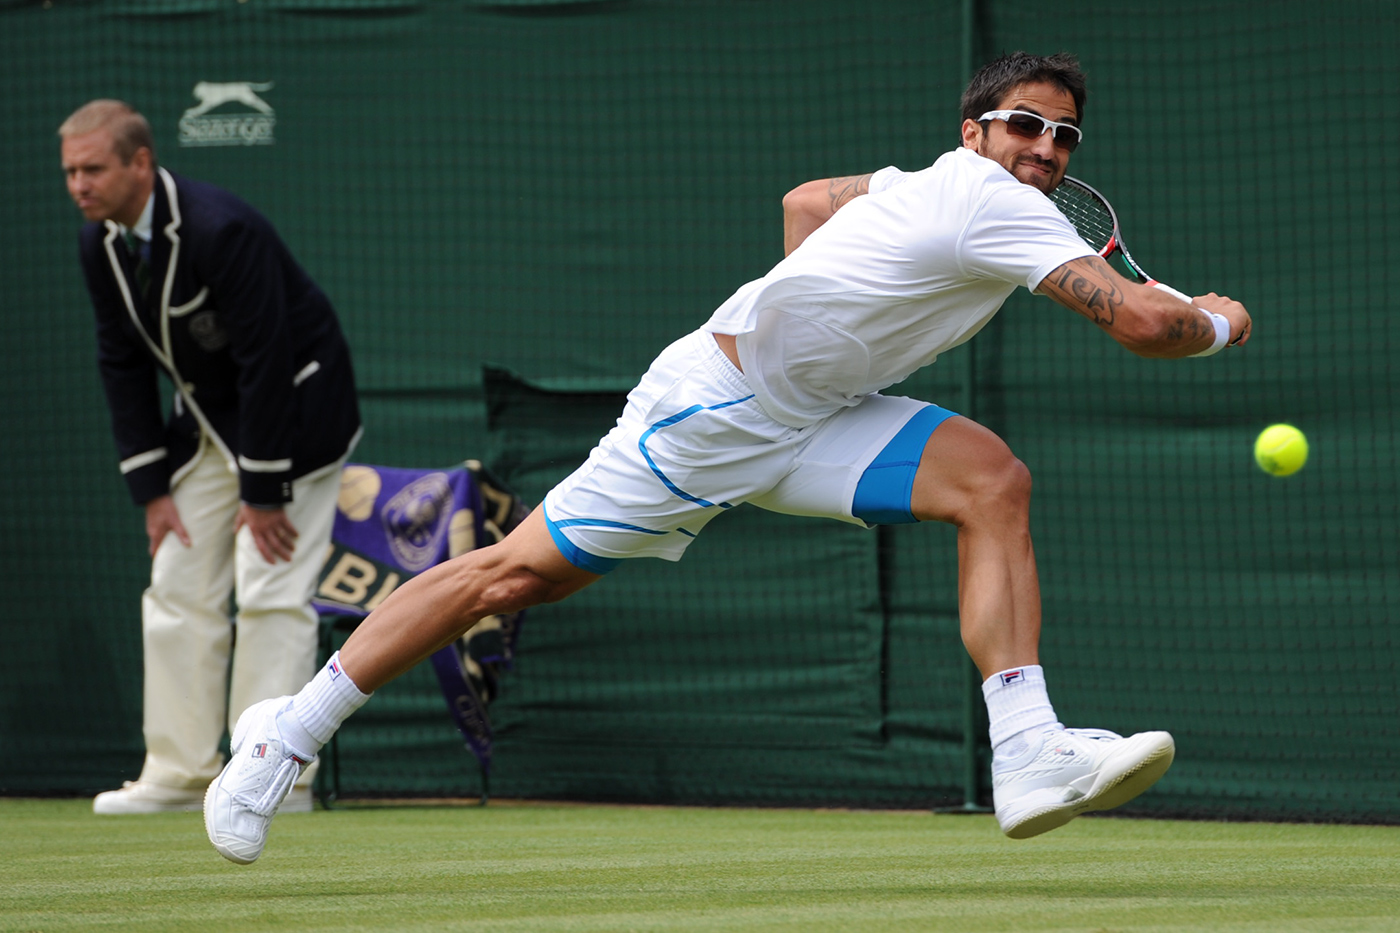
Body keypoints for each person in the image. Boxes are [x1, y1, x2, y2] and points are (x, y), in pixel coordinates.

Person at [204, 52, 1251, 862]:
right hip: (709, 414)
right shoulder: (986, 199)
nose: (1044, 146)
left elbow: (804, 202)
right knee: (514, 576)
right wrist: (1213, 323)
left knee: (989, 481)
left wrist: (815, 317)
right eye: (1023, 124)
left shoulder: (919, 182)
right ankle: (285, 736)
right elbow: (1144, 329)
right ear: (974, 131)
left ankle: (1024, 750)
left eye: (1063, 136)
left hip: (821, 412)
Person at [60, 100, 362, 815]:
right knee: (176, 582)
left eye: (93, 168)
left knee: (271, 590)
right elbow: (120, 361)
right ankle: (179, 770)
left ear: (140, 162)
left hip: (296, 418)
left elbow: (267, 357)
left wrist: (263, 493)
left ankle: (269, 780)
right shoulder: (97, 241)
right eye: (70, 171)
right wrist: (152, 488)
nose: (79, 184)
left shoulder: (221, 227)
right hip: (201, 426)